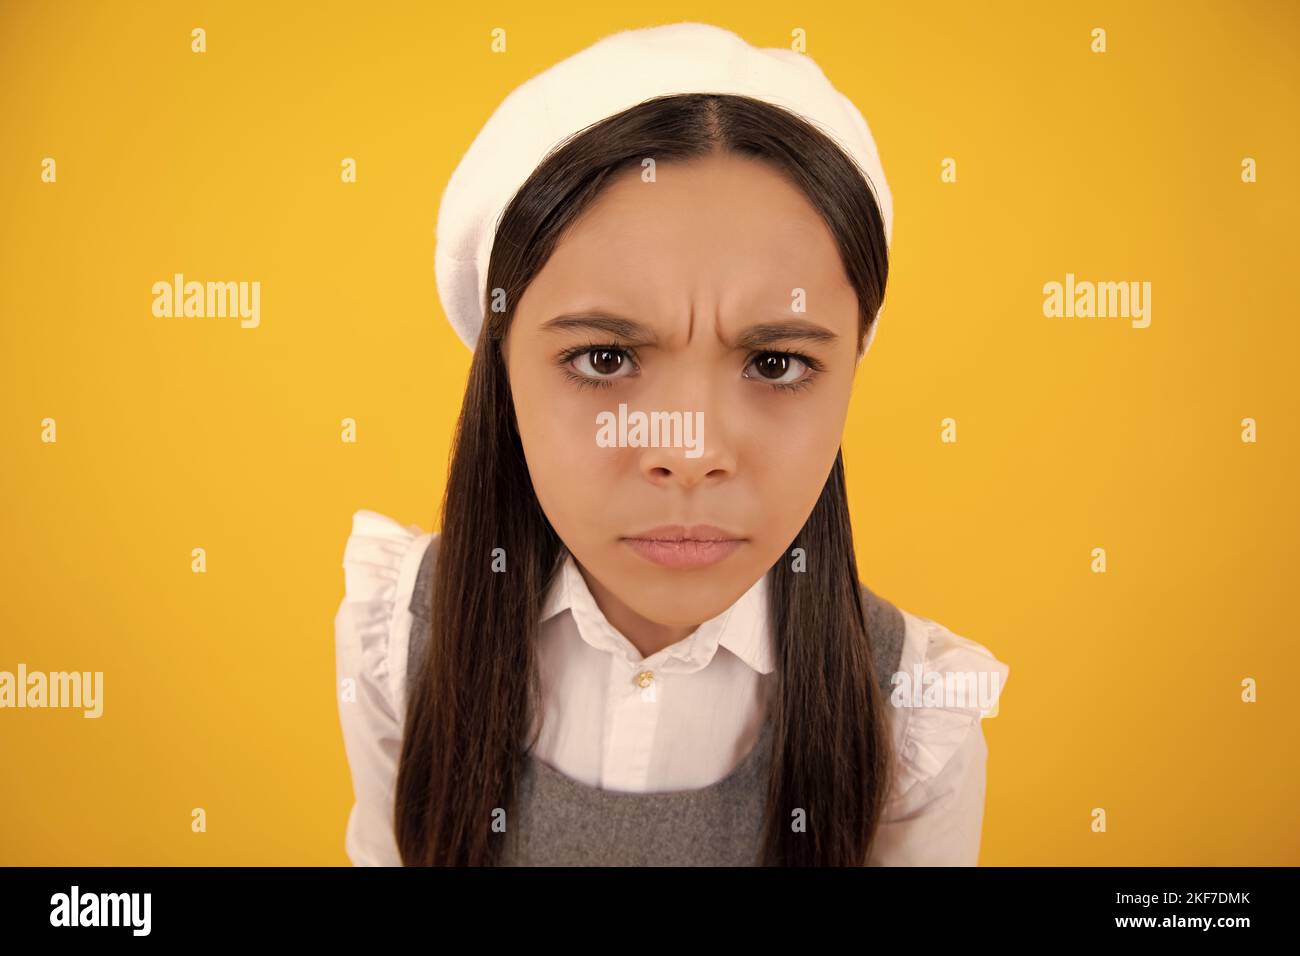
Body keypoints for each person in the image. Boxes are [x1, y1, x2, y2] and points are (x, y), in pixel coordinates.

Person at [335, 22, 1009, 866]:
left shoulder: (915, 721)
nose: (688, 453)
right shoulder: (397, 641)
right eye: (606, 358)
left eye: (775, 362)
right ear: (502, 370)